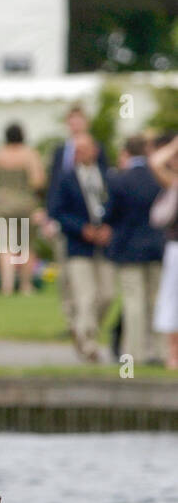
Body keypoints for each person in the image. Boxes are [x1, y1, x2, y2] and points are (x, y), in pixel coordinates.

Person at [48, 132, 113, 361]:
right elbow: (56, 211)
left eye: (84, 149)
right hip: (78, 245)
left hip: (103, 246)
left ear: (95, 151)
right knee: (86, 295)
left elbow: (116, 206)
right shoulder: (66, 179)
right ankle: (88, 345)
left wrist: (107, 228)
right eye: (77, 150)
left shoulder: (107, 176)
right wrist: (81, 229)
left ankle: (84, 329)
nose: (80, 154)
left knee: (106, 295)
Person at [105, 136, 166, 365]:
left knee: (133, 302)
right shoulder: (159, 178)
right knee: (156, 300)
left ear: (127, 152)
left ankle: (136, 353)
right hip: (156, 247)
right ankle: (159, 351)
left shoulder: (120, 180)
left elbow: (110, 214)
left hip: (128, 248)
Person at [0, 123, 45, 296]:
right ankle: (25, 285)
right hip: (25, 203)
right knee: (26, 245)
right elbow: (38, 181)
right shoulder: (29, 154)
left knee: (6, 246)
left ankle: (6, 286)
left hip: (3, 203)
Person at [146, 133, 178, 369]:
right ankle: (173, 355)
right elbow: (155, 162)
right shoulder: (173, 183)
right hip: (176, 246)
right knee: (172, 299)